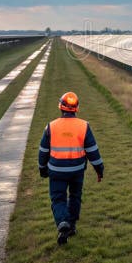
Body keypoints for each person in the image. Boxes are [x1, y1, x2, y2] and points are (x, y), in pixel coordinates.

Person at [38, 91, 104, 245]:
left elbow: (43, 151)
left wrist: (42, 168)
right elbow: (93, 151)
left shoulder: (51, 126)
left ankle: (62, 222)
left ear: (60, 107)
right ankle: (71, 226)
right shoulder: (84, 126)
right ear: (76, 108)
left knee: (58, 198)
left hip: (56, 171)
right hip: (77, 171)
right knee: (75, 196)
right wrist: (99, 169)